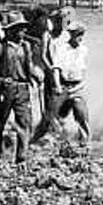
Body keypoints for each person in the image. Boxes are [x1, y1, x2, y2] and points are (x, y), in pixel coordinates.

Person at [0, 11, 41, 165]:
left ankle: (21, 157)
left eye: (24, 28)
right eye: (20, 28)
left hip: (22, 88)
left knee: (25, 121)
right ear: (11, 30)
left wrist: (36, 76)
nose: (23, 31)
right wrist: (0, 80)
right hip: (5, 89)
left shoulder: (26, 47)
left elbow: (28, 66)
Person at [31, 8, 69, 143]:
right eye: (57, 21)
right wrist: (51, 70)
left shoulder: (67, 36)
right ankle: (48, 130)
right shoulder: (47, 35)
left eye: (61, 20)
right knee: (50, 103)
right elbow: (43, 56)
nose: (59, 23)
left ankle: (61, 127)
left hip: (65, 74)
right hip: (51, 73)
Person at [51, 21, 90, 145]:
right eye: (77, 34)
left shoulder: (84, 50)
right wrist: (57, 86)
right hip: (63, 85)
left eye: (81, 34)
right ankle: (59, 139)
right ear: (71, 35)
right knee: (58, 114)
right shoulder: (62, 48)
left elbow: (85, 73)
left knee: (81, 113)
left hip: (77, 85)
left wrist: (78, 87)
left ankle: (84, 141)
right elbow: (56, 68)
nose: (80, 37)